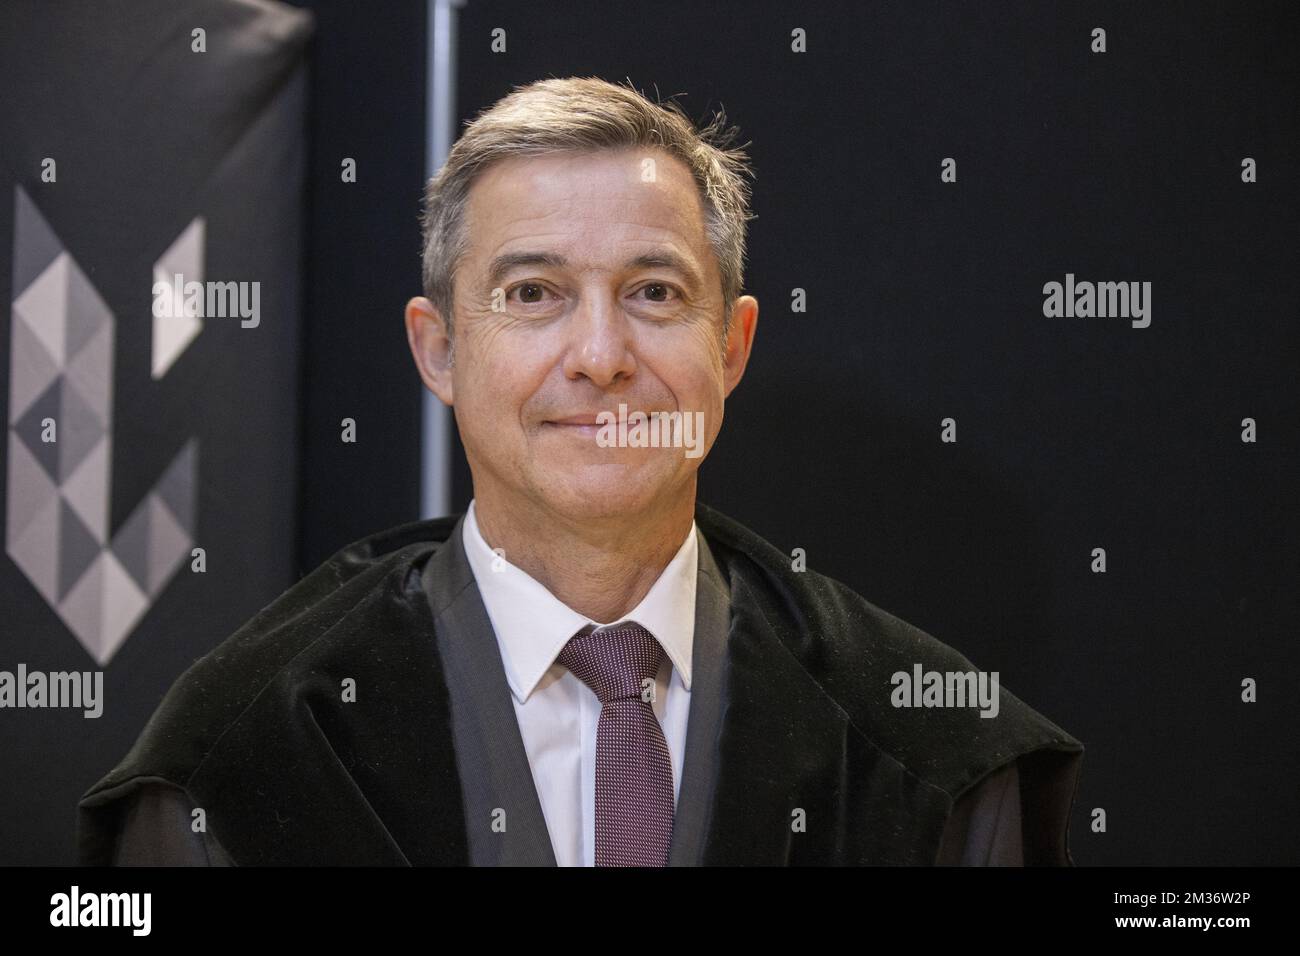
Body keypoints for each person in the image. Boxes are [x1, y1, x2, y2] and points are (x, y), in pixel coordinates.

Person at [78, 76, 1083, 866]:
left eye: (653, 290)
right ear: (438, 352)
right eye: (533, 292)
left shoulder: (935, 751)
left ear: (730, 349)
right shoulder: (239, 759)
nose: (599, 353)